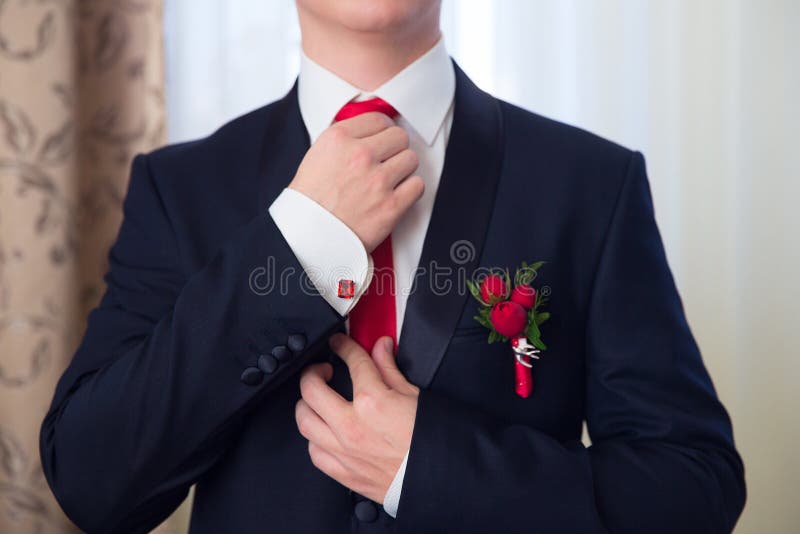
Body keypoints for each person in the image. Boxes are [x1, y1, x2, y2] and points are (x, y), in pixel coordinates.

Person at [39, 1, 746, 533]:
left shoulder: (590, 186)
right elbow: (93, 481)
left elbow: (694, 487)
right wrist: (303, 239)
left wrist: (429, 465)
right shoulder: (180, 190)